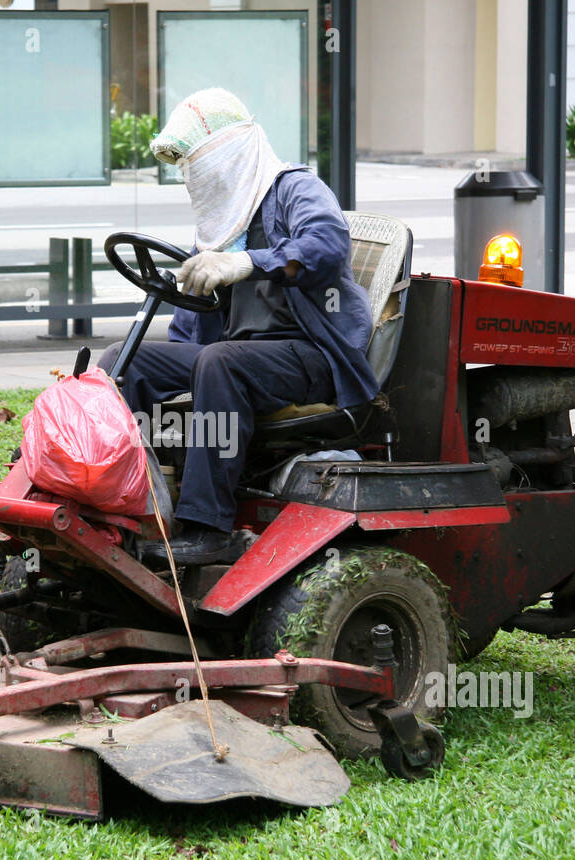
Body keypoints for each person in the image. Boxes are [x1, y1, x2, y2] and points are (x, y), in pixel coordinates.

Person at [97, 88, 377, 566]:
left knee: (220, 362)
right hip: (238, 358)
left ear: (230, 153)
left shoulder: (295, 189)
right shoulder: (221, 221)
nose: (193, 178)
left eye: (198, 163)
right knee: (122, 360)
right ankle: (128, 504)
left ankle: (210, 528)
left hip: (311, 355)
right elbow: (194, 325)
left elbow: (327, 249)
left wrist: (246, 263)